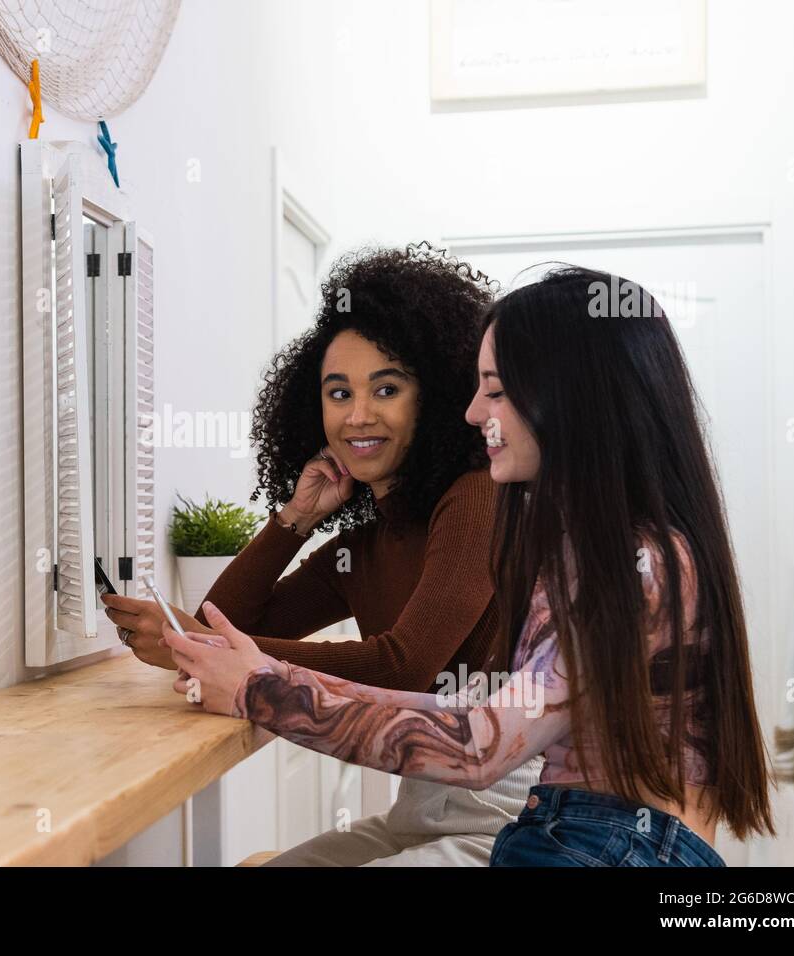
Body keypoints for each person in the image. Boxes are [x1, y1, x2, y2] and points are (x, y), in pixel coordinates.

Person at [164, 266, 774, 866]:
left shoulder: (635, 564)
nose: (472, 410)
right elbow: (469, 716)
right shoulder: (587, 548)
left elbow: (479, 749)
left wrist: (260, 687)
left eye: (497, 390)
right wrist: (263, 675)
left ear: (571, 398)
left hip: (611, 847)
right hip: (566, 833)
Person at [104, 243, 543, 866]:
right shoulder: (362, 547)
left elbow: (404, 667)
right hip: (419, 813)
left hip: (503, 822)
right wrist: (294, 520)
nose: (358, 415)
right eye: (338, 393)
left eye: (385, 389)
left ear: (436, 397)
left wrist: (212, 650)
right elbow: (230, 620)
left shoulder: (476, 501)